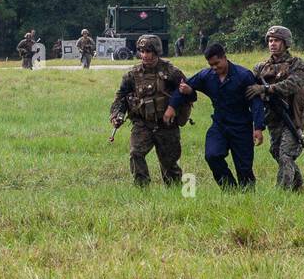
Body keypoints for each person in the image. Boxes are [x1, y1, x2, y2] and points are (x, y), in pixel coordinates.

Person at [169, 43, 264, 188]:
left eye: (217, 63)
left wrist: (258, 127)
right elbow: (183, 88)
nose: (214, 67)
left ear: (224, 58)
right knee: (212, 156)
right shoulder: (206, 76)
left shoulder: (244, 75)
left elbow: (256, 103)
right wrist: (172, 106)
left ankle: (247, 197)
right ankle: (230, 189)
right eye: (211, 64)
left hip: (241, 126)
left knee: (244, 168)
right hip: (220, 125)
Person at [109, 34, 195, 186]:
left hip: (166, 125)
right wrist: (117, 115)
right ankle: (142, 188)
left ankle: (175, 193)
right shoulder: (132, 74)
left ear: (156, 51)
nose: (145, 55)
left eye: (149, 51)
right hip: (142, 124)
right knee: (136, 153)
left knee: (169, 163)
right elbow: (121, 97)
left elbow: (189, 95)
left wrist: (174, 107)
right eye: (142, 51)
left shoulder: (172, 72)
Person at [246, 25, 304, 191]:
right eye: (270, 40)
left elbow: (293, 84)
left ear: (285, 43)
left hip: (293, 116)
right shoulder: (260, 68)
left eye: (276, 40)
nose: (272, 44)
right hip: (272, 117)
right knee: (276, 151)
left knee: (285, 154)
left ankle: (281, 191)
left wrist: (267, 89)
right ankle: (298, 186)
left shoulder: (297, 64)